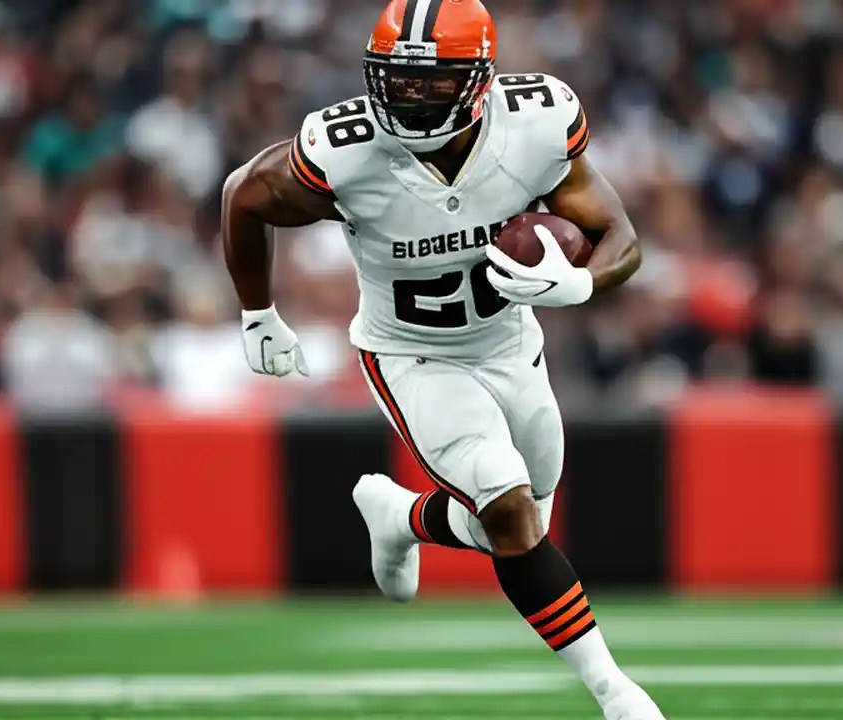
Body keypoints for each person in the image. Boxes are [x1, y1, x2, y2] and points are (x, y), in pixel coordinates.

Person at [222, 2, 662, 717]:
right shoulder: (344, 151)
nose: (409, 95)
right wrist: (258, 312)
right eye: (396, 78)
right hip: (412, 353)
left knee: (522, 520)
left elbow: (620, 235)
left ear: (479, 82)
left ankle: (402, 517)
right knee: (507, 509)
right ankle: (617, 693)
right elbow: (242, 195)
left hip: (509, 343)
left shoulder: (535, 125)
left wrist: (581, 283)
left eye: (430, 81)